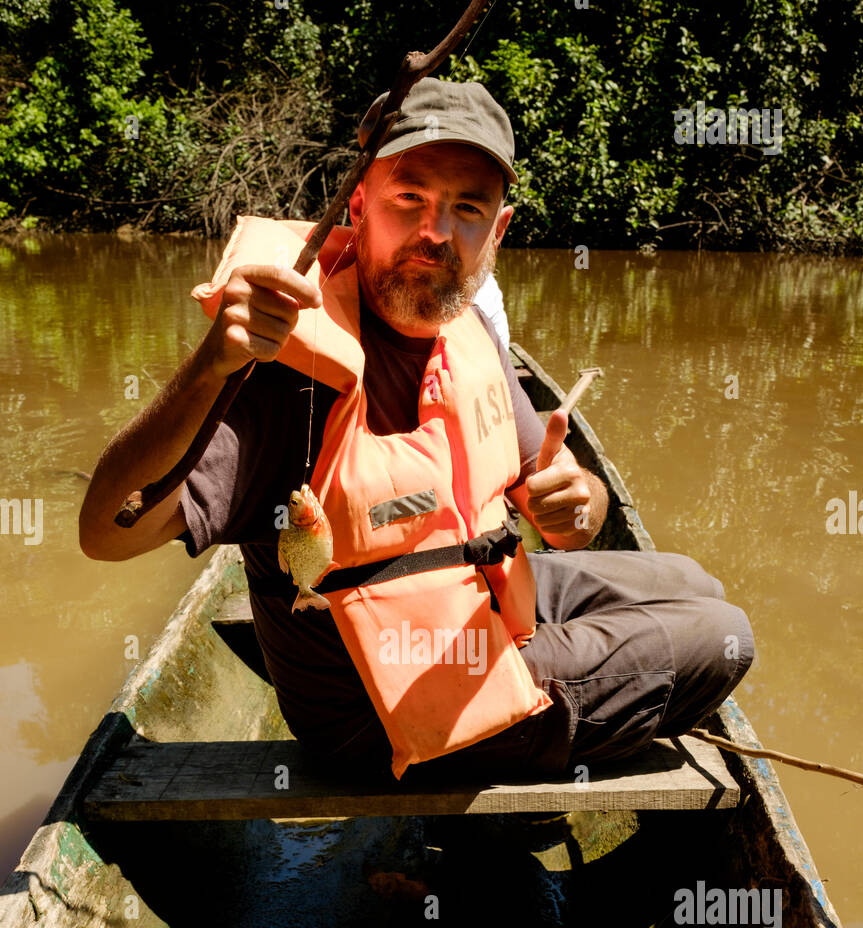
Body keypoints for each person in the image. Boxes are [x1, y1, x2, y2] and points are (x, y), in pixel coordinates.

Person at [79, 78, 754, 782]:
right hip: (377, 711)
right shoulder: (284, 361)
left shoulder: (465, 331)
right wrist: (210, 366)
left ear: (498, 230)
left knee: (694, 582)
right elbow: (105, 533)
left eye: (466, 209)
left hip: (477, 595)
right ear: (360, 204)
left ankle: (572, 687)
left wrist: (580, 497)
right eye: (410, 199)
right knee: (728, 634)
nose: (437, 232)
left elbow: (566, 513)